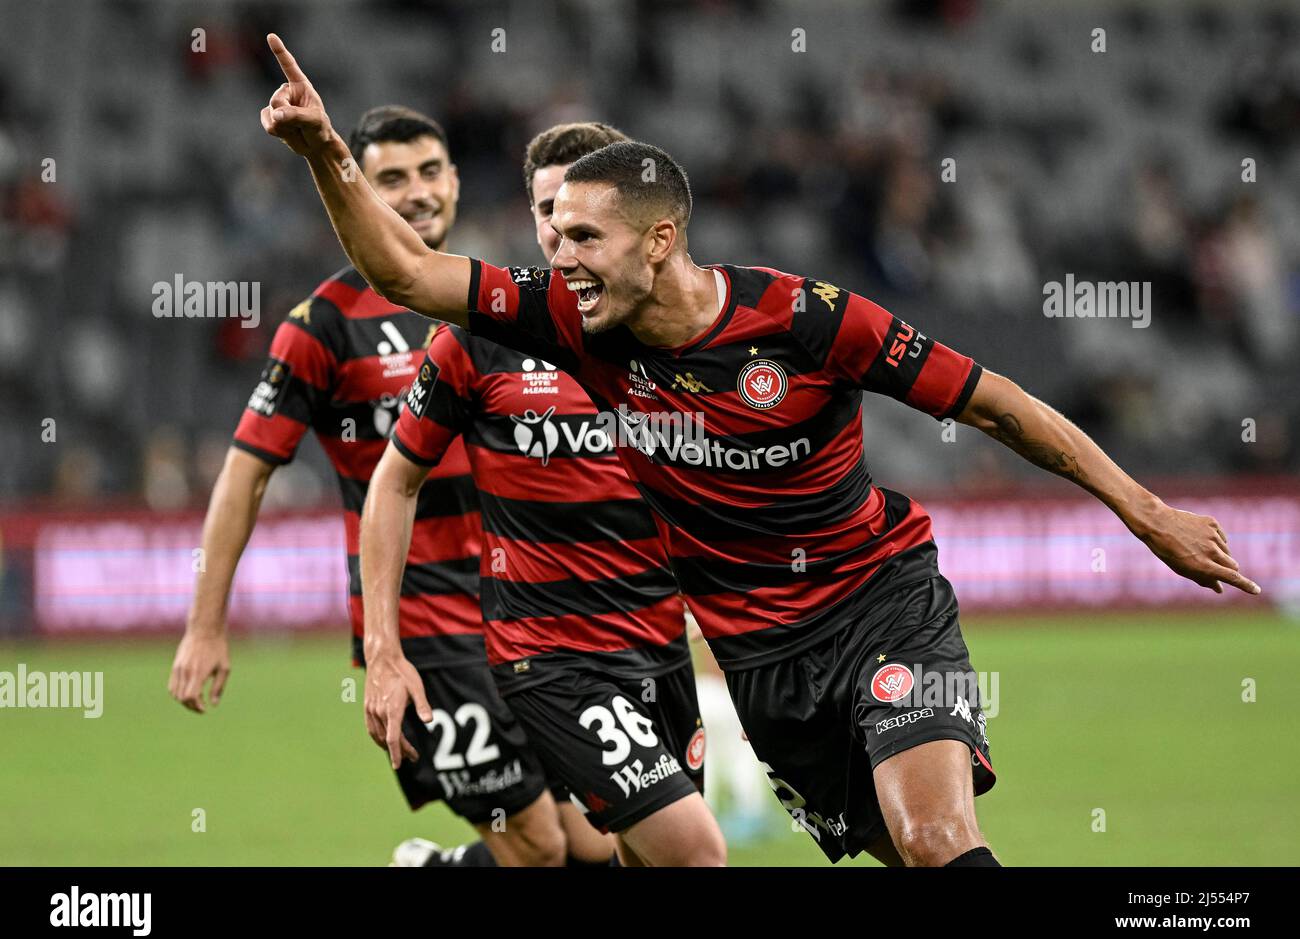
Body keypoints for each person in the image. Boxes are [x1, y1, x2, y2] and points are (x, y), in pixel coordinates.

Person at [259, 35, 1259, 866]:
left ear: (656, 243)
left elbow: (998, 406)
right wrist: (320, 154)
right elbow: (407, 270)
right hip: (760, 660)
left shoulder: (807, 321)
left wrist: (1143, 509)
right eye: (550, 237)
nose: (557, 261)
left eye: (581, 239)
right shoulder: (571, 320)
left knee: (938, 839)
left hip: (880, 598)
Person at [171, 104, 612, 868]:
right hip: (426, 627)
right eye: (391, 179)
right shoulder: (323, 325)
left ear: (456, 181)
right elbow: (244, 475)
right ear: (358, 194)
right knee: (537, 849)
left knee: (595, 845)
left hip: (531, 611)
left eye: (430, 171)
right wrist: (207, 623)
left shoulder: (500, 301)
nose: (417, 192)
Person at [362, 120, 725, 867]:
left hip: (658, 645)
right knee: (693, 854)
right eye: (545, 213)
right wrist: (382, 646)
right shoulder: (478, 340)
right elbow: (394, 481)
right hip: (552, 653)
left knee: (618, 856)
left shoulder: (675, 336)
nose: (563, 234)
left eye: (579, 213)